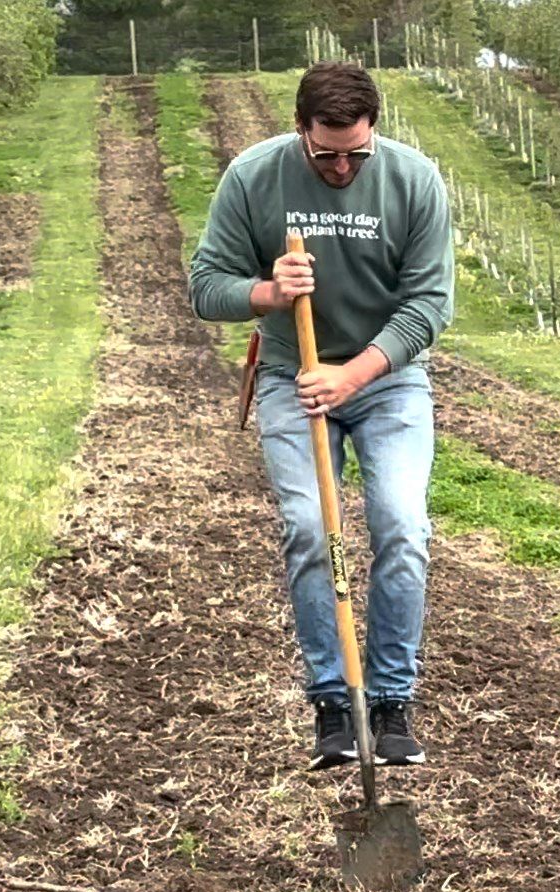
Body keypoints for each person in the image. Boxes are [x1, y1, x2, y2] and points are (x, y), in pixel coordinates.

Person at [189, 62, 454, 771]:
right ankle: (335, 707)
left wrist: (354, 373)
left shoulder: (413, 180)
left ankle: (393, 703)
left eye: (355, 154)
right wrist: (268, 293)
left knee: (401, 524)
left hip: (385, 381)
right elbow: (204, 287)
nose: (341, 167)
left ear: (374, 132)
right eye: (325, 153)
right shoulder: (252, 177)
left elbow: (430, 305)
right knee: (311, 528)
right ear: (300, 129)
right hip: (291, 378)